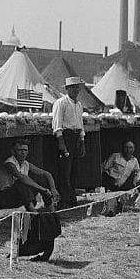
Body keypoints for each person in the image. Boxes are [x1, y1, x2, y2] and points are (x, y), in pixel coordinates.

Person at [52, 76, 86, 207]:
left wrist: (82, 141)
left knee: (74, 170)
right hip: (66, 137)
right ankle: (64, 200)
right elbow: (57, 124)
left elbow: (80, 124)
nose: (75, 90)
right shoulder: (61, 103)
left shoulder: (79, 104)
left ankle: (72, 199)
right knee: (64, 170)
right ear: (67, 89)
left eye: (77, 87)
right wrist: (62, 143)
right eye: (72, 87)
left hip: (76, 138)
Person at [0, 139, 57, 211]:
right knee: (21, 183)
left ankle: (52, 210)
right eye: (20, 150)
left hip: (20, 195)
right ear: (13, 151)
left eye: (25, 150)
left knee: (41, 180)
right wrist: (42, 189)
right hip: (5, 196)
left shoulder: (26, 163)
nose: (23, 153)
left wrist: (53, 189)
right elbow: (22, 178)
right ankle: (33, 211)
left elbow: (46, 174)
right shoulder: (9, 163)